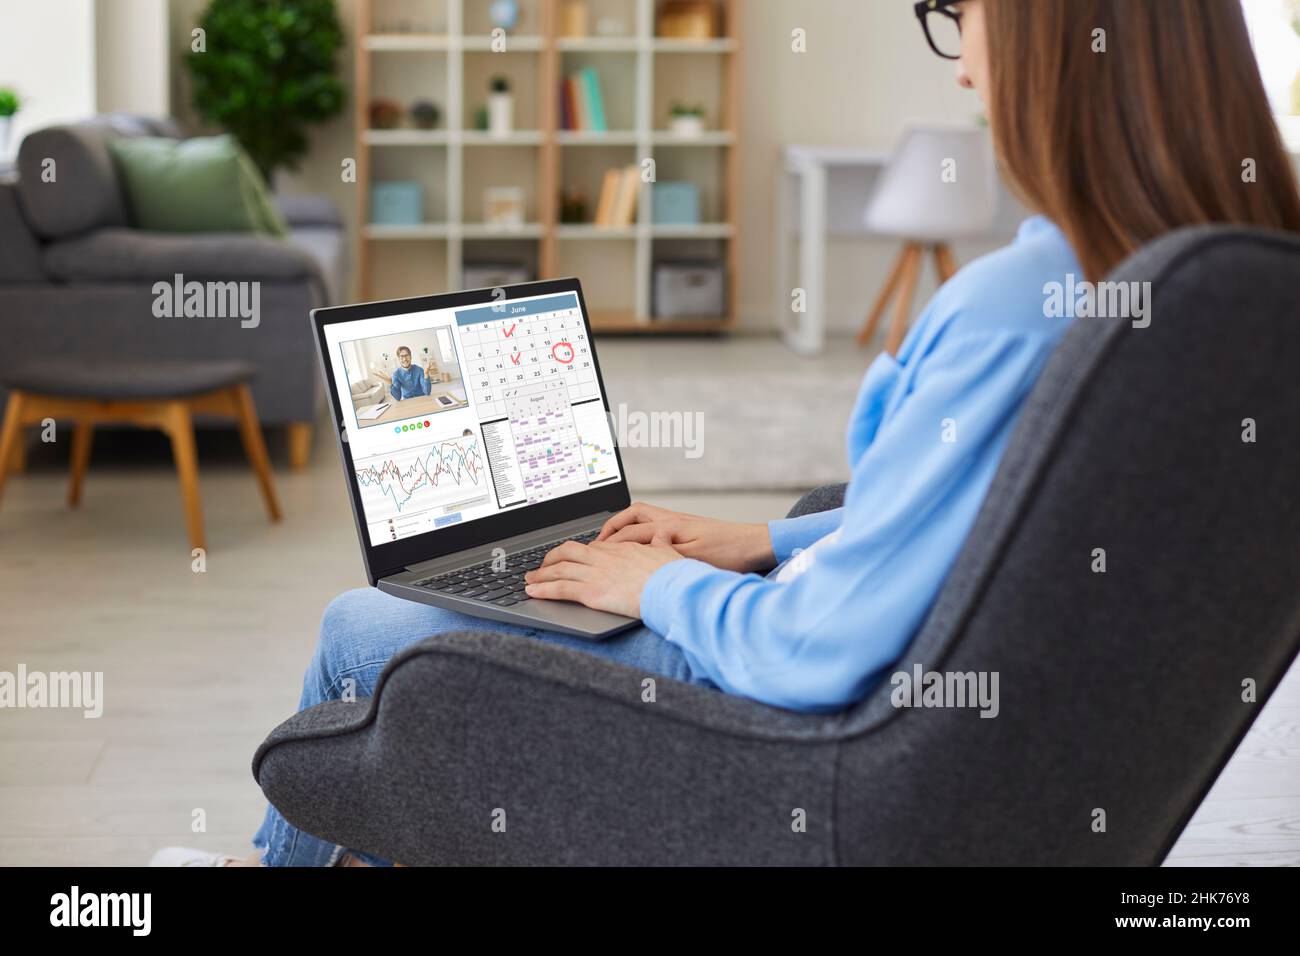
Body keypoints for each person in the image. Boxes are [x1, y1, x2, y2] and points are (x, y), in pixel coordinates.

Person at [153, 0, 1300, 867]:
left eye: (970, 14)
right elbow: (1012, 524)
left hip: (805, 738)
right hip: (953, 748)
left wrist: (651, 583)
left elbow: (814, 653)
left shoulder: (1017, 302)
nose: (960, 59)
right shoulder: (1202, 286)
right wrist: (763, 535)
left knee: (366, 624)